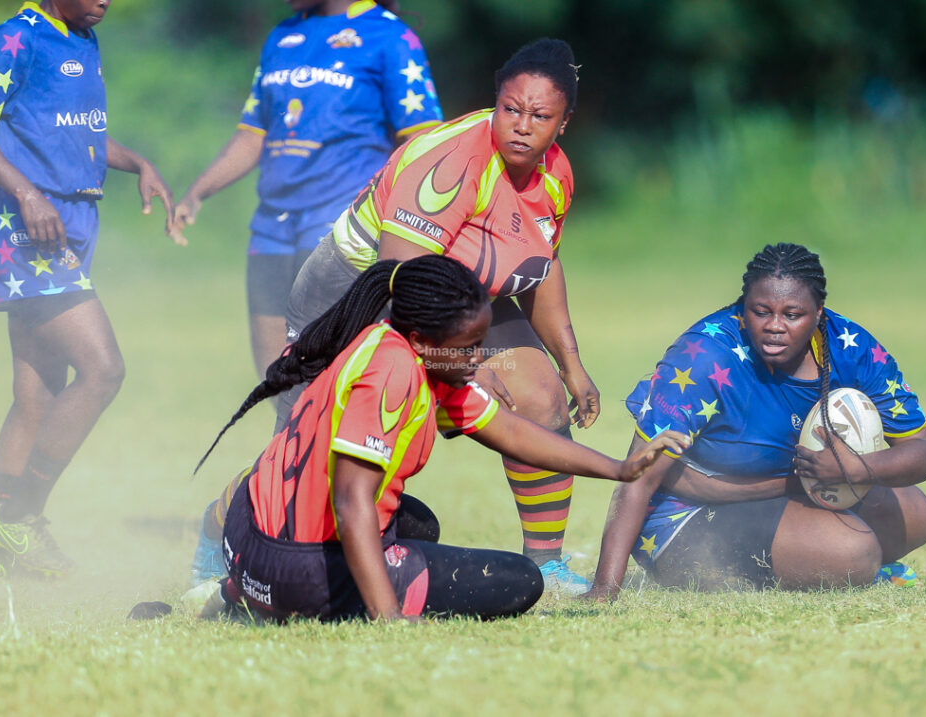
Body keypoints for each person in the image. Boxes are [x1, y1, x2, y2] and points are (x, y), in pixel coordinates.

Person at [235, 37, 595, 594]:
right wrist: (466, 365)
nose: (522, 125)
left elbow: (540, 265)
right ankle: (225, 540)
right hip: (358, 291)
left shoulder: (556, 174)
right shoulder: (450, 163)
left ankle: (548, 565)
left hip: (461, 298)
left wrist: (571, 363)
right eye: (510, 109)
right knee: (302, 450)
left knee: (542, 396)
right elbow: (398, 281)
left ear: (564, 123)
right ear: (493, 103)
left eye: (540, 116)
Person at [191, 255, 689, 621]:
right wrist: (388, 622)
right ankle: (270, 600)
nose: (480, 358)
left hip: (251, 528)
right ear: (424, 340)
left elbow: (513, 432)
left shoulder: (410, 351)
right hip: (292, 572)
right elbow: (350, 501)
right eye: (469, 347)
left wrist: (618, 468)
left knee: (420, 524)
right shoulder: (391, 373)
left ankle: (235, 595)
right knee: (518, 583)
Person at [0, 0, 178, 577]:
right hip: (21, 228)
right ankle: (20, 518)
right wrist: (28, 194)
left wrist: (138, 161)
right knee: (103, 369)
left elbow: (76, 136)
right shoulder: (16, 38)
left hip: (70, 227)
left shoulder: (82, 38)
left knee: (37, 395)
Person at [586, 243, 926, 598]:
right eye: (760, 311)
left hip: (784, 492)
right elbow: (638, 480)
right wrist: (604, 589)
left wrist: (857, 468)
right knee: (853, 553)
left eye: (792, 314)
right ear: (743, 308)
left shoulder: (852, 348)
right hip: (683, 518)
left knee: (915, 514)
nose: (774, 326)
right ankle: (834, 566)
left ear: (819, 313)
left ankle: (822, 562)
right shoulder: (703, 357)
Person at [169, 0, 442, 381]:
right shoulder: (281, 36)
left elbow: (422, 138)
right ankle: (290, 441)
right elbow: (252, 135)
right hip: (271, 226)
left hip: (338, 220)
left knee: (324, 371)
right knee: (274, 375)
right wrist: (197, 192)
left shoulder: (390, 36)